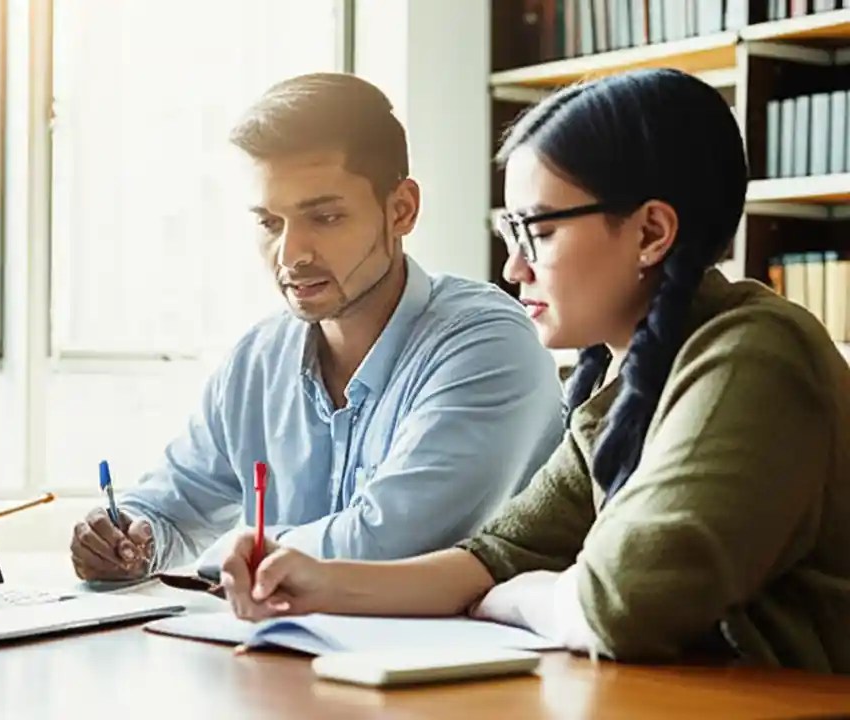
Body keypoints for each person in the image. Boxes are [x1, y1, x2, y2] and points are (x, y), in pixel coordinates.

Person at [217, 68, 850, 674]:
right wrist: (318, 581)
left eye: (537, 233)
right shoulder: (624, 379)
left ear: (651, 232)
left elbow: (620, 604)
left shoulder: (753, 356)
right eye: (508, 232)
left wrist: (515, 598)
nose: (514, 269)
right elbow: (497, 554)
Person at [70, 73, 565, 582]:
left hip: (467, 660)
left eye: (324, 218)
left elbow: (383, 546)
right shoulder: (257, 360)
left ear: (401, 210)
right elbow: (169, 508)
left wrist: (236, 550)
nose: (291, 255)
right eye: (269, 223)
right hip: (291, 653)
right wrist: (125, 540)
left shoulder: (488, 345)